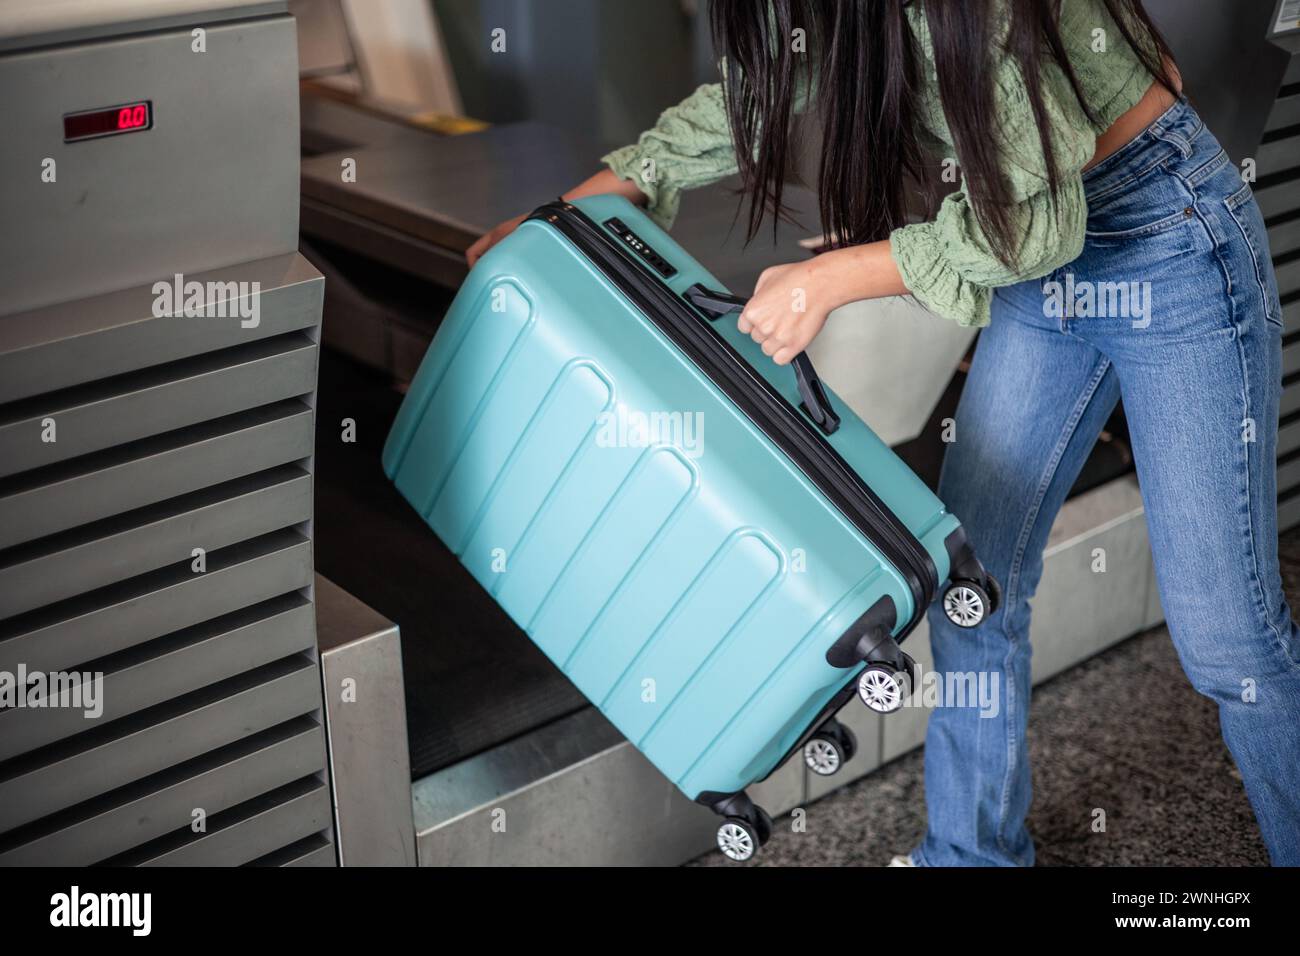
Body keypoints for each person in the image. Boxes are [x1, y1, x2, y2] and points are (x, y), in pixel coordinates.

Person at [467, 0, 1300, 866]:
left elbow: (1042, 217)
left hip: (1164, 240)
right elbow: (751, 102)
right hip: (1031, 236)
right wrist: (554, 225)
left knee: (1227, 643)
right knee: (974, 577)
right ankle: (970, 856)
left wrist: (832, 278)